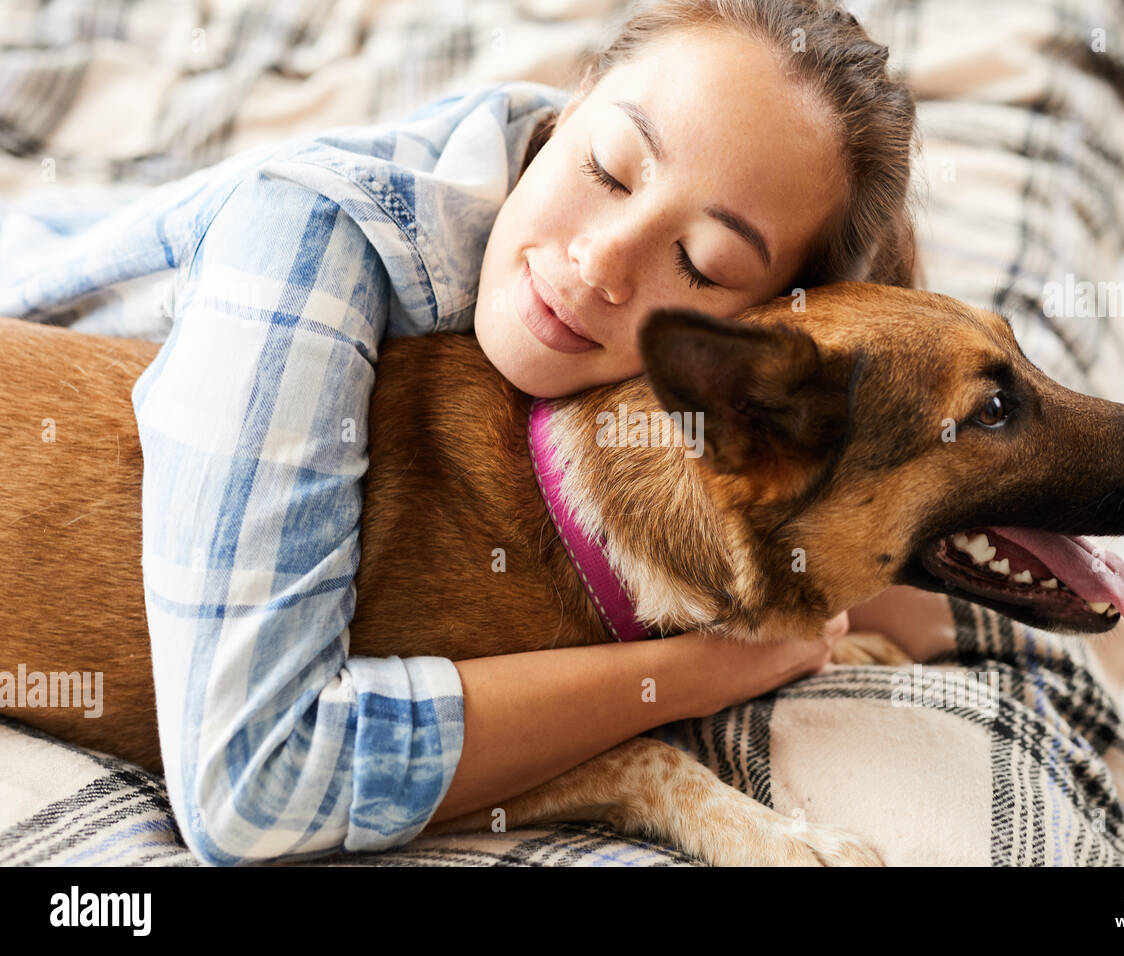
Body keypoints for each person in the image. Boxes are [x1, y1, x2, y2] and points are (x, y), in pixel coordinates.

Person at [0, 0, 935, 865]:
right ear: (569, 113)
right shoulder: (301, 250)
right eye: (607, 169)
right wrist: (696, 675)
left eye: (701, 262)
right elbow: (252, 785)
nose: (599, 260)